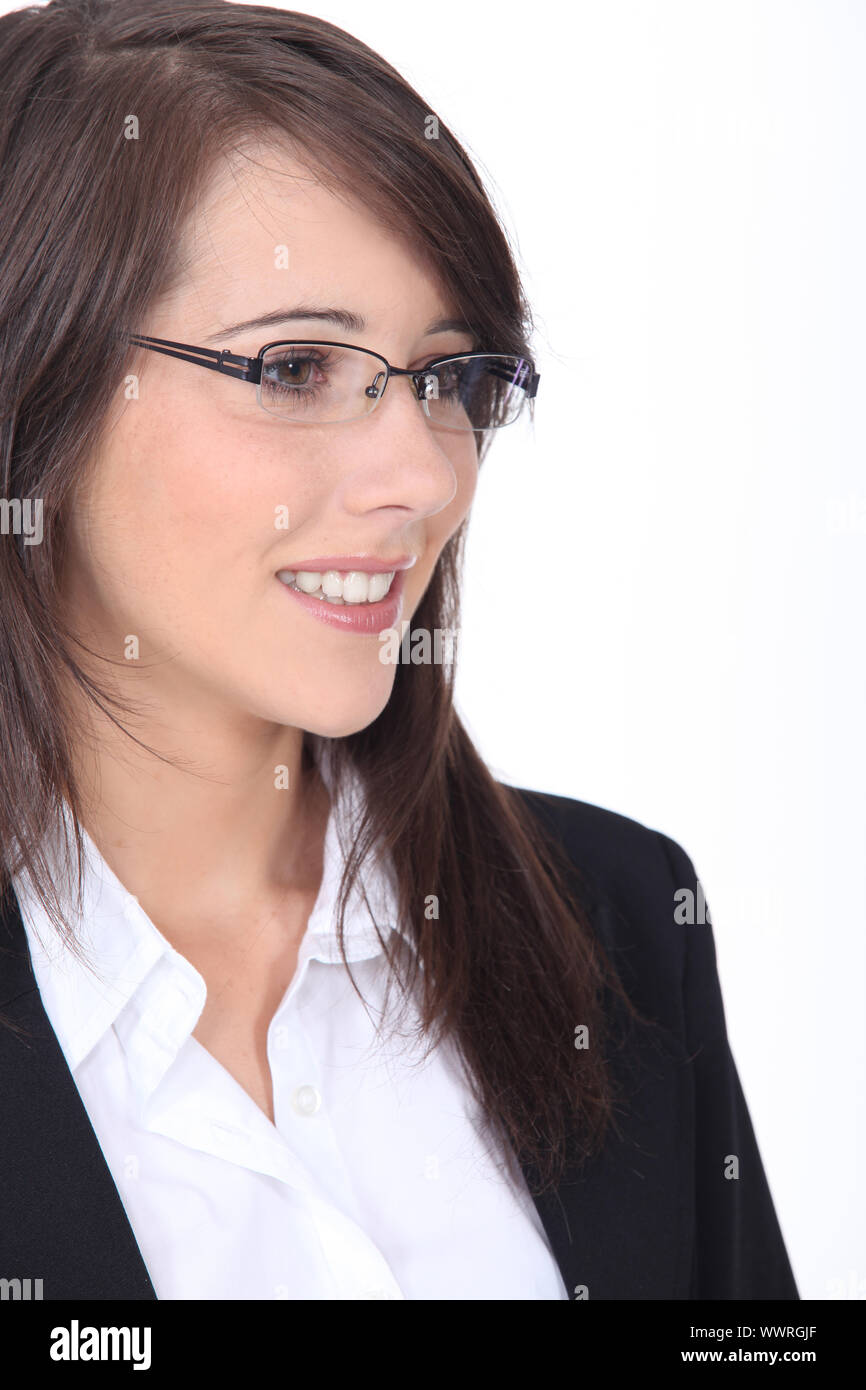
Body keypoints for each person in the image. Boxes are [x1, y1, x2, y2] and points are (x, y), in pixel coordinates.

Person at [0, 0, 797, 1300]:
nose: (422, 473)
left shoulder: (618, 918)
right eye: (295, 367)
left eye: (448, 376)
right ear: (36, 387)